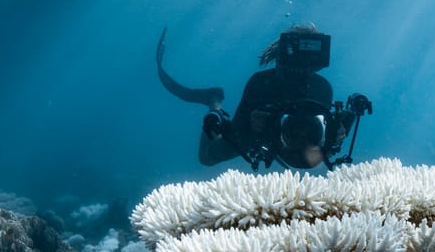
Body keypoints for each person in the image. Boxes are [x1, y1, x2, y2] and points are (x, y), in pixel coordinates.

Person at [156, 24, 372, 170]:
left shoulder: (321, 87)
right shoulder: (261, 83)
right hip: (261, 137)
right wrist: (251, 124)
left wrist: (339, 129)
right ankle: (214, 102)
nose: (299, 74)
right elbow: (238, 130)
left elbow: (323, 128)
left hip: (300, 145)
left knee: (312, 161)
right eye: (292, 68)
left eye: (307, 68)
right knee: (207, 158)